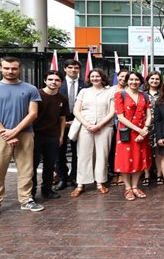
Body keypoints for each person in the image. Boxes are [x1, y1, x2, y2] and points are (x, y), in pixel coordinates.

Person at [0, 56, 44, 220]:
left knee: (27, 169)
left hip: (25, 134)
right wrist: (5, 133)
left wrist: (15, 131)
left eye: (14, 68)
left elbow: (33, 113)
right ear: (1, 68)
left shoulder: (30, 89)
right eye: (7, 68)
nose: (10, 71)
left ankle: (26, 199)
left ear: (19, 69)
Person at [71, 68, 115, 198]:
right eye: (92, 76)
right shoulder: (84, 92)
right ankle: (80, 184)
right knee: (83, 155)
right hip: (86, 126)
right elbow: (76, 110)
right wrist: (87, 124)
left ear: (102, 77)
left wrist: (100, 125)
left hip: (105, 127)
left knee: (102, 155)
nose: (95, 78)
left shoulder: (110, 92)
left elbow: (112, 112)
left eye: (97, 76)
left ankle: (100, 182)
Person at [114, 71, 153, 200]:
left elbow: (149, 115)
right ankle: (127, 188)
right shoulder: (120, 95)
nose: (133, 82)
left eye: (136, 80)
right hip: (126, 133)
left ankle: (135, 186)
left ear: (141, 81)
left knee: (139, 158)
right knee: (125, 160)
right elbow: (120, 117)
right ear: (126, 81)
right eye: (131, 79)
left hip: (142, 132)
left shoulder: (145, 96)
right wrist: (139, 130)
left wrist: (145, 128)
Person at [31, 70, 68, 200]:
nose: (54, 82)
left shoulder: (62, 99)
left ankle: (47, 190)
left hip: (52, 136)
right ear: (45, 81)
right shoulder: (36, 95)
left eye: (57, 80)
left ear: (61, 83)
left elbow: (62, 118)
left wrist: (61, 135)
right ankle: (31, 192)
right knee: (32, 165)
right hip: (35, 136)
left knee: (50, 165)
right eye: (51, 79)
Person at [57, 59, 86, 190]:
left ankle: (75, 177)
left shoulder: (84, 85)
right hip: (60, 122)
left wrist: (77, 119)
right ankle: (62, 177)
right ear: (65, 69)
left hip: (79, 121)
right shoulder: (57, 83)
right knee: (59, 152)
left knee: (77, 152)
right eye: (70, 68)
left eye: (76, 68)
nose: (73, 70)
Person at [108, 70, 129, 186]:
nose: (123, 79)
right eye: (121, 76)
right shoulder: (110, 90)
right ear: (117, 77)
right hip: (111, 122)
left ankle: (122, 173)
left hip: (126, 124)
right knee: (112, 148)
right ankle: (114, 173)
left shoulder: (130, 90)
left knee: (123, 148)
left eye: (126, 77)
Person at [144, 71, 163, 187]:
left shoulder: (162, 94)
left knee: (159, 151)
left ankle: (159, 174)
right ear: (148, 80)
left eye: (157, 79)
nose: (154, 81)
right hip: (146, 126)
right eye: (152, 79)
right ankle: (147, 175)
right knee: (146, 151)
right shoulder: (143, 94)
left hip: (160, 126)